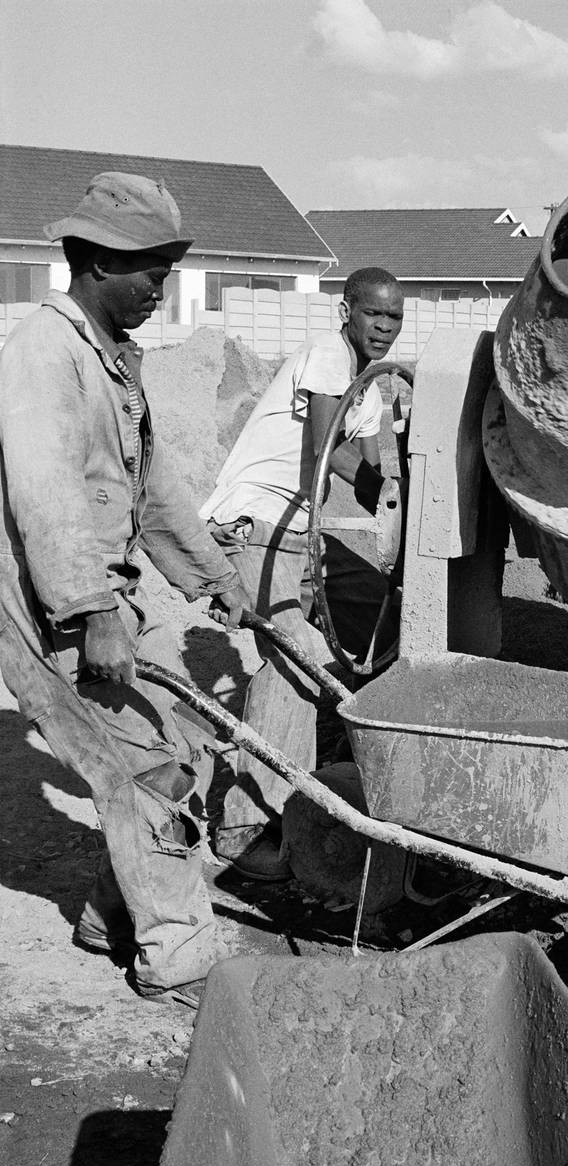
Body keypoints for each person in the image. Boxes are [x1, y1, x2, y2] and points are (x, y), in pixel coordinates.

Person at [0, 172, 252, 1009]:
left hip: (99, 599)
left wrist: (217, 580)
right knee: (147, 771)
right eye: (151, 272)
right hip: (48, 610)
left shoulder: (111, 360)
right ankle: (176, 955)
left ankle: (107, 916)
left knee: (173, 749)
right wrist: (93, 612)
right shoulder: (45, 352)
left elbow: (153, 489)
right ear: (101, 260)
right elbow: (47, 494)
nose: (161, 290)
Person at [201, 267, 405, 880]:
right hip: (255, 521)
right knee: (297, 658)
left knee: (384, 616)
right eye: (374, 314)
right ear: (347, 312)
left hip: (302, 531)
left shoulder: (371, 390)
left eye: (395, 317)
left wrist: (407, 503)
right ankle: (243, 828)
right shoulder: (326, 355)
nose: (385, 327)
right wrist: (383, 488)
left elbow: (368, 476)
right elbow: (325, 452)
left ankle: (344, 752)